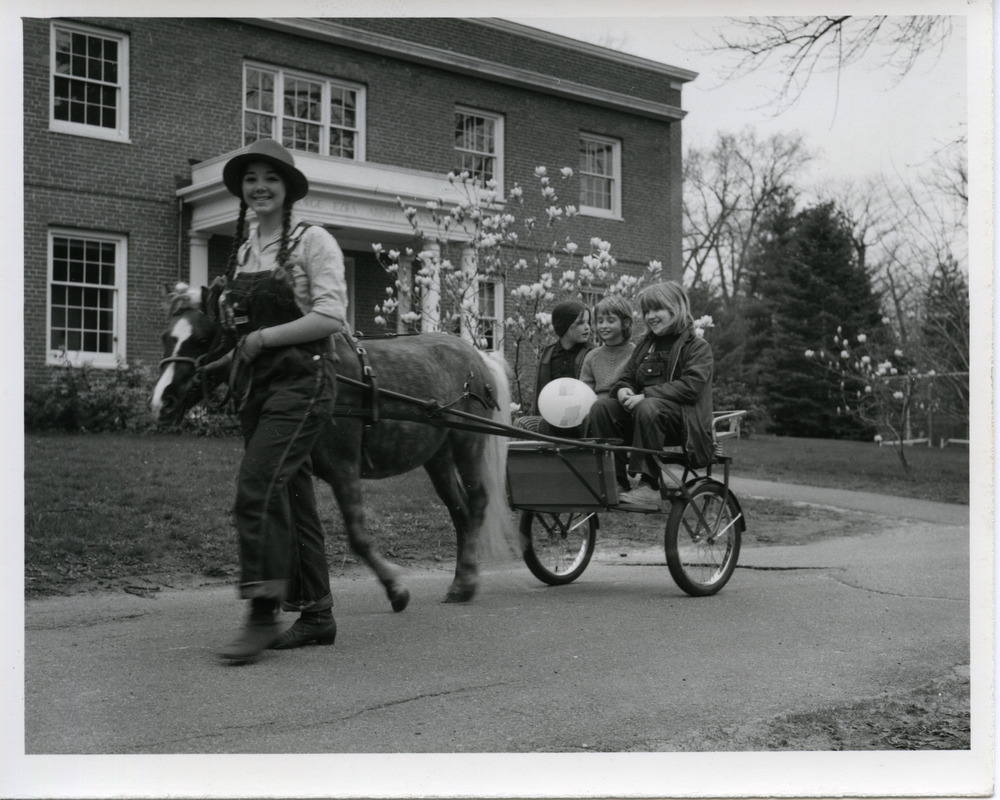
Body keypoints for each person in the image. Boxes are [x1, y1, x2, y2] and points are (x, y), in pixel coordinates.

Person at [205, 138, 347, 663]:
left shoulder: (314, 241)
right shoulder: (244, 250)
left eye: (270, 177)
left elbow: (330, 317)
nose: (259, 187)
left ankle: (262, 614)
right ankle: (317, 615)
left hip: (304, 383)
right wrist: (221, 359)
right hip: (258, 389)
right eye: (250, 179)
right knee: (289, 495)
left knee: (258, 486)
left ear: (288, 189)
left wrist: (262, 339)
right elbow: (243, 329)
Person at [586, 281, 713, 506]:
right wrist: (623, 389)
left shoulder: (697, 346)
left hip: (683, 423)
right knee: (602, 407)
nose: (650, 316)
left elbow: (691, 387)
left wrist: (645, 395)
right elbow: (627, 377)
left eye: (657, 309)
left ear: (676, 308)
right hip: (645, 419)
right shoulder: (646, 345)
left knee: (648, 406)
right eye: (646, 311)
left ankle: (649, 486)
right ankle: (615, 481)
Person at [579, 295, 637, 491]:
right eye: (600, 321)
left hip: (624, 415)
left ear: (625, 323)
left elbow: (636, 387)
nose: (603, 326)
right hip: (594, 412)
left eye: (610, 320)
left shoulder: (635, 353)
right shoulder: (592, 356)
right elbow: (584, 390)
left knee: (602, 409)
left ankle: (618, 480)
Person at [528, 299, 595, 436]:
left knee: (546, 424)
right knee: (521, 424)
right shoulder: (547, 354)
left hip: (581, 417)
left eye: (588, 322)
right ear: (564, 325)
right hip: (551, 414)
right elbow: (540, 394)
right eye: (580, 323)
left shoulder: (592, 353)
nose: (587, 327)